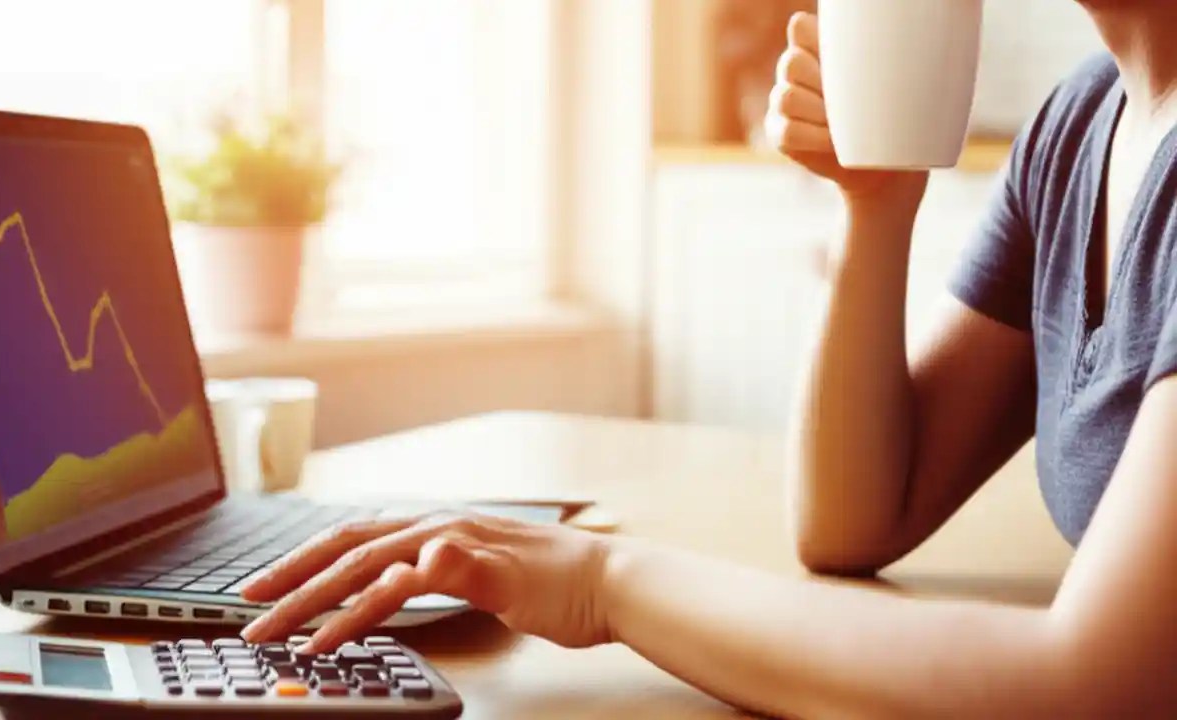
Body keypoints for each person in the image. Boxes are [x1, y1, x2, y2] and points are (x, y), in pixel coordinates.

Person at [241, 3, 1177, 715]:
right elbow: (857, 516)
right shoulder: (1077, 126)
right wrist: (875, 203)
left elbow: (1099, 684)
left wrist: (607, 582)